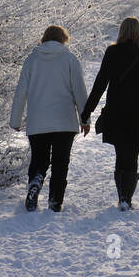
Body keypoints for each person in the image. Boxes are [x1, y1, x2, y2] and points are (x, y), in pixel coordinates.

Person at [81, 16, 139, 210]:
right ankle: (127, 196)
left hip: (116, 112)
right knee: (132, 155)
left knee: (120, 153)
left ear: (121, 31)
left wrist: (87, 111)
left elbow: (100, 84)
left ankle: (122, 195)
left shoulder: (112, 52)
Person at [9, 25, 89, 213]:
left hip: (38, 121)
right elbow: (80, 91)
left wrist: (16, 121)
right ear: (63, 39)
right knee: (61, 163)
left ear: (44, 38)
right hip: (64, 122)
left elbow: (21, 93)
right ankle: (55, 201)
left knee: (39, 159)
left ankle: (36, 181)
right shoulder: (70, 59)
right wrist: (84, 119)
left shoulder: (31, 60)